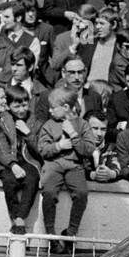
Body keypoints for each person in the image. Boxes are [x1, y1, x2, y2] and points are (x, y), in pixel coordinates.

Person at [37, 86, 97, 247]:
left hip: (74, 165)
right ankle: (51, 236)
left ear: (65, 107)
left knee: (81, 193)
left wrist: (73, 135)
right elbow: (42, 149)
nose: (50, 110)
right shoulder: (49, 125)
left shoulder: (82, 124)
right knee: (49, 193)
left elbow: (89, 149)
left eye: (53, 107)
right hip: (53, 165)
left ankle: (71, 233)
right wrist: (58, 146)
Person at [0, 85, 41, 234]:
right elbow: (1, 149)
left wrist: (28, 133)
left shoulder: (33, 120)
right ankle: (16, 218)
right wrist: (13, 164)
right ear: (8, 106)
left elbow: (39, 150)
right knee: (9, 181)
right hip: (8, 161)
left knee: (32, 179)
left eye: (24, 105)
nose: (22, 110)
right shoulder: (2, 121)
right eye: (17, 106)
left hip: (28, 160)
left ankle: (20, 218)